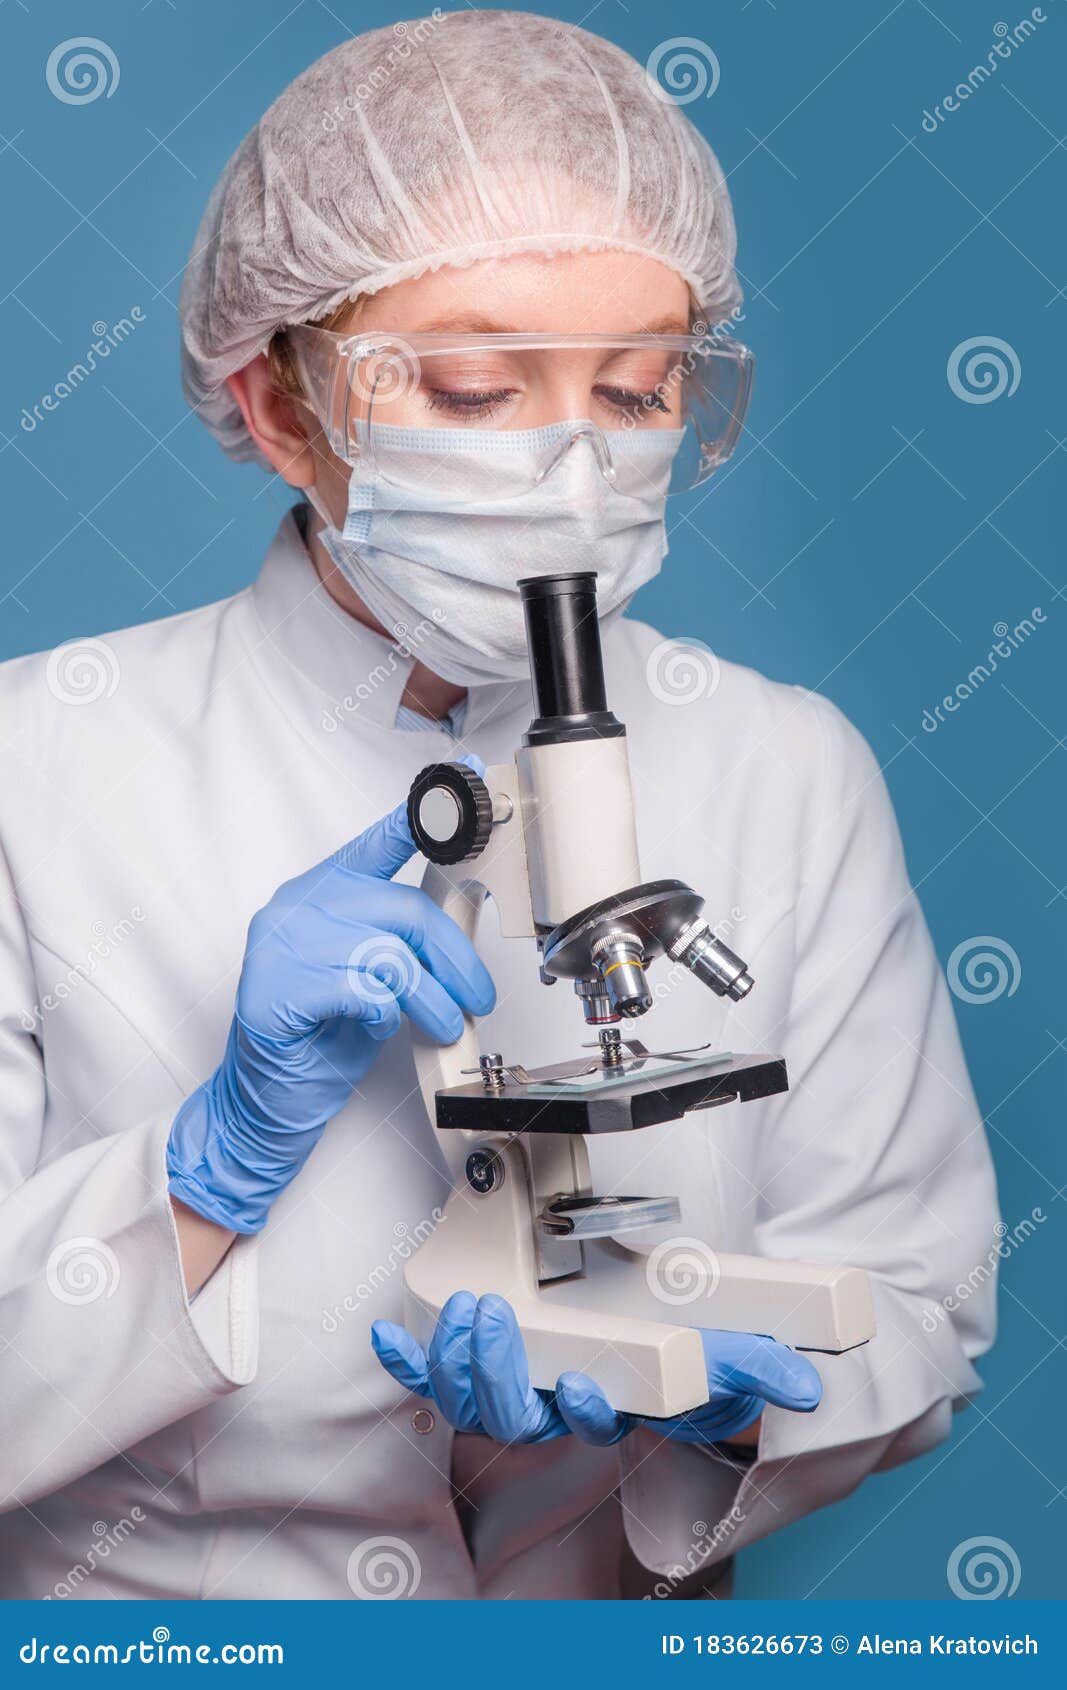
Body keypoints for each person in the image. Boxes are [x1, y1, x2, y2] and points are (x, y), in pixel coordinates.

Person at [0, 12, 997, 1602]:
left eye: (635, 389)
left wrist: (730, 1409)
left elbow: (923, 1304)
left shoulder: (783, 763)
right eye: (471, 389)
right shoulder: (33, 759)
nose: (568, 471)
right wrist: (207, 1167)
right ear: (277, 404)